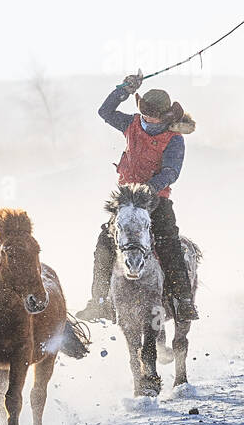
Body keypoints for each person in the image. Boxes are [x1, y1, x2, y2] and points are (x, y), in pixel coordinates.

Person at [77, 73, 199, 323]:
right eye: (144, 115)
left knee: (169, 244)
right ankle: (99, 302)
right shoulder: (131, 124)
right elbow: (105, 111)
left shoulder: (174, 140)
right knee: (105, 243)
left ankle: (182, 300)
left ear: (165, 117)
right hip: (125, 201)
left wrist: (149, 189)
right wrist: (124, 89)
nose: (147, 120)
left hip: (157, 201)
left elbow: (171, 172)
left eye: (152, 117)